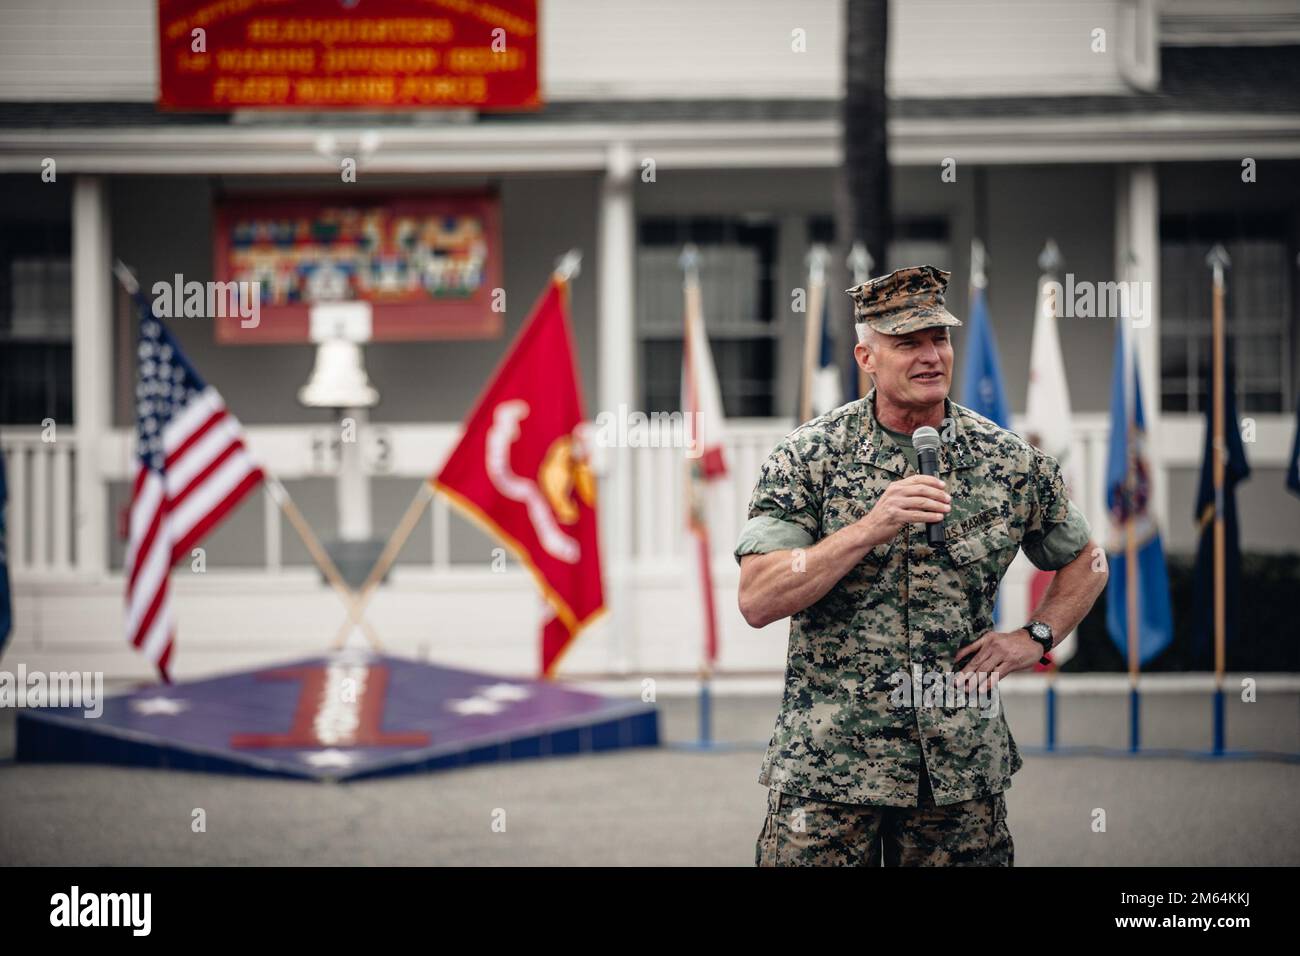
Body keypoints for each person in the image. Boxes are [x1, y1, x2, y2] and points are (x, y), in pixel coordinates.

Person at [736, 265, 1106, 866]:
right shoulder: (809, 458)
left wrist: (1034, 638)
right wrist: (868, 529)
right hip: (832, 769)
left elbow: (1088, 561)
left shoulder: (1008, 461)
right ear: (867, 357)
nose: (931, 355)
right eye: (908, 342)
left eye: (940, 338)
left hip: (958, 773)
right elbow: (758, 598)